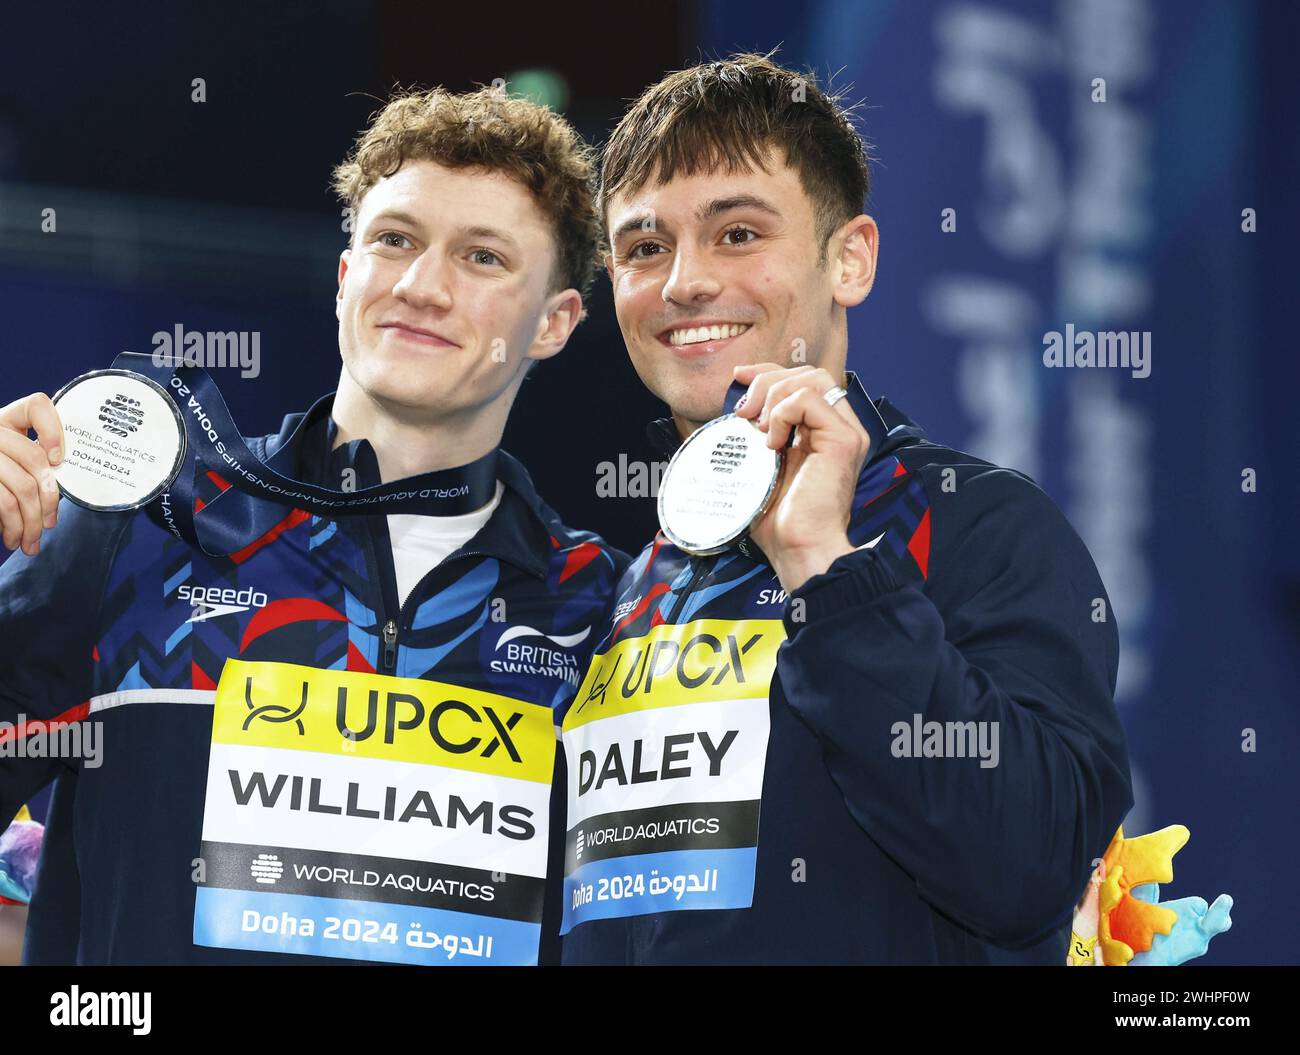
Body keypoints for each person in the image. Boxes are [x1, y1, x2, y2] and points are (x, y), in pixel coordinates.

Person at [0, 85, 625, 965]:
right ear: (344, 278)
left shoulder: (600, 614)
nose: (421, 286)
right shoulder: (140, 531)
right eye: (394, 240)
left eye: (482, 257)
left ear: (554, 323)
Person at [556, 52, 1134, 964]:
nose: (683, 283)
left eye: (738, 233)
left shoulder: (978, 529)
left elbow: (1030, 868)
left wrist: (830, 568)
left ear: (850, 259)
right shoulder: (634, 591)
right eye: (643, 248)